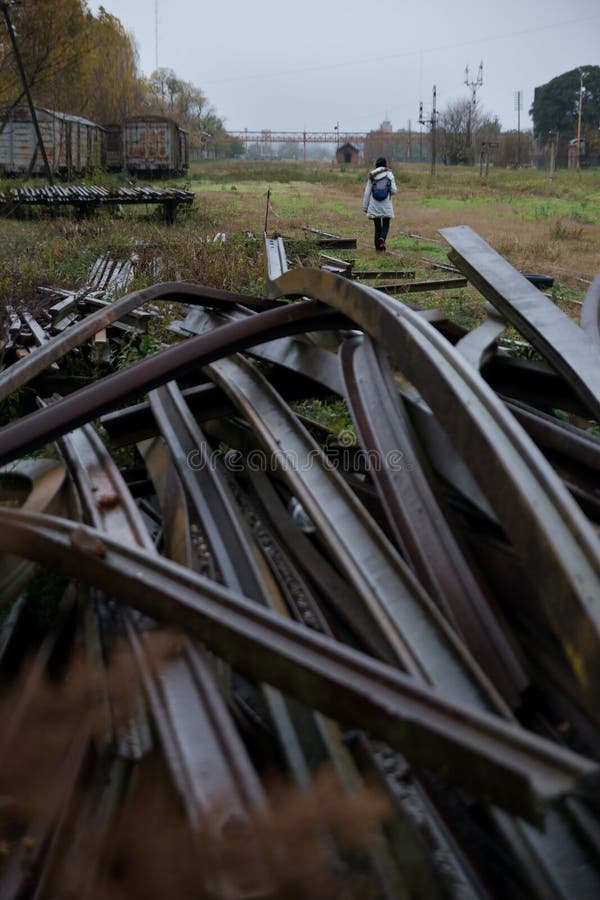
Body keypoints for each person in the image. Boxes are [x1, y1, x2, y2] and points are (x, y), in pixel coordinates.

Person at [362, 156, 397, 251]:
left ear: (376, 165)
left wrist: (365, 207)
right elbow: (394, 190)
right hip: (386, 204)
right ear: (385, 164)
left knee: (377, 227)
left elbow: (367, 192)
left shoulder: (372, 175)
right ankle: (382, 238)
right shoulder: (389, 174)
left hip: (374, 205)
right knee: (386, 224)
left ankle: (378, 249)